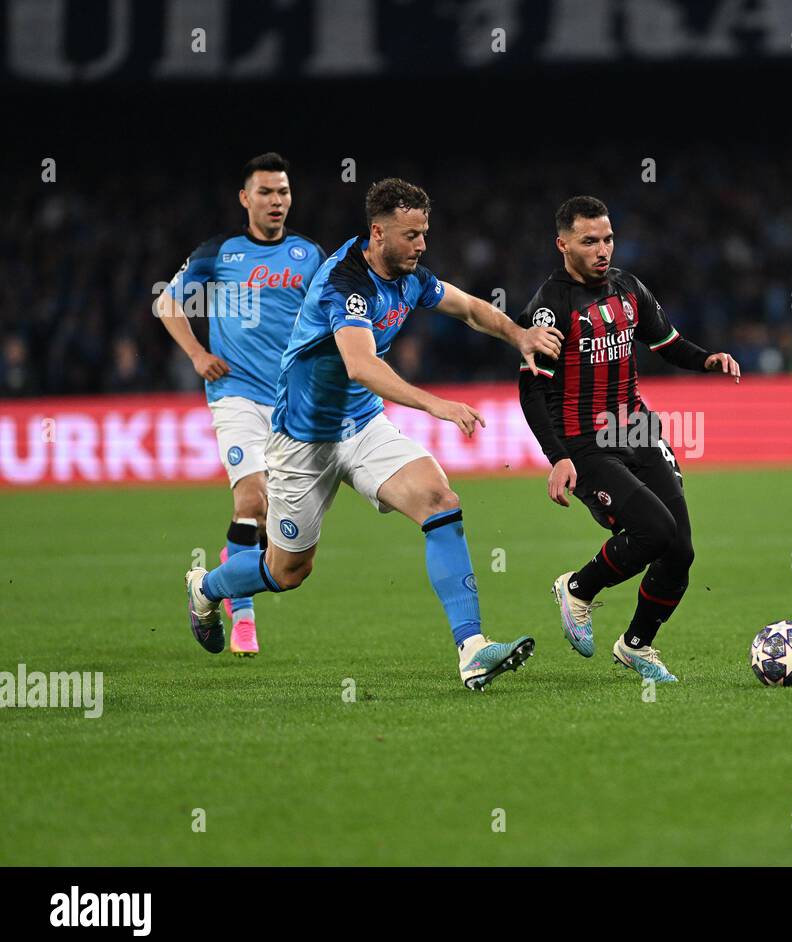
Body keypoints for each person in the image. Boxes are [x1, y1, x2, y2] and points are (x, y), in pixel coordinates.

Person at [185, 178, 563, 691]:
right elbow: (361, 365)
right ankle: (206, 588)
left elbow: (471, 308)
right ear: (378, 234)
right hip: (303, 440)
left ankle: (472, 649)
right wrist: (435, 404)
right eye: (412, 236)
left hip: (362, 426)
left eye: (425, 234)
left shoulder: (410, 276)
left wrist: (519, 335)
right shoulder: (345, 283)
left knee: (439, 499)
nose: (422, 245)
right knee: (287, 571)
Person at [517, 196, 740, 683]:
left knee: (680, 551)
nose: (603, 250)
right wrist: (557, 458)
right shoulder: (550, 308)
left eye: (608, 239)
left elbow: (668, 343)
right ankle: (578, 587)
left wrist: (707, 360)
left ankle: (636, 645)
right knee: (654, 532)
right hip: (584, 442)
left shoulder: (628, 288)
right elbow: (531, 392)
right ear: (563, 245)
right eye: (589, 241)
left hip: (637, 429)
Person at [156, 152, 325, 656]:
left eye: (284, 192)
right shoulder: (220, 253)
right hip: (235, 396)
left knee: (280, 522)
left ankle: (209, 588)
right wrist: (196, 354)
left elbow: (331, 316)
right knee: (250, 501)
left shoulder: (309, 255)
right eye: (267, 192)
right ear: (245, 198)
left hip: (293, 402)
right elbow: (168, 302)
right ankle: (244, 621)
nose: (277, 201)